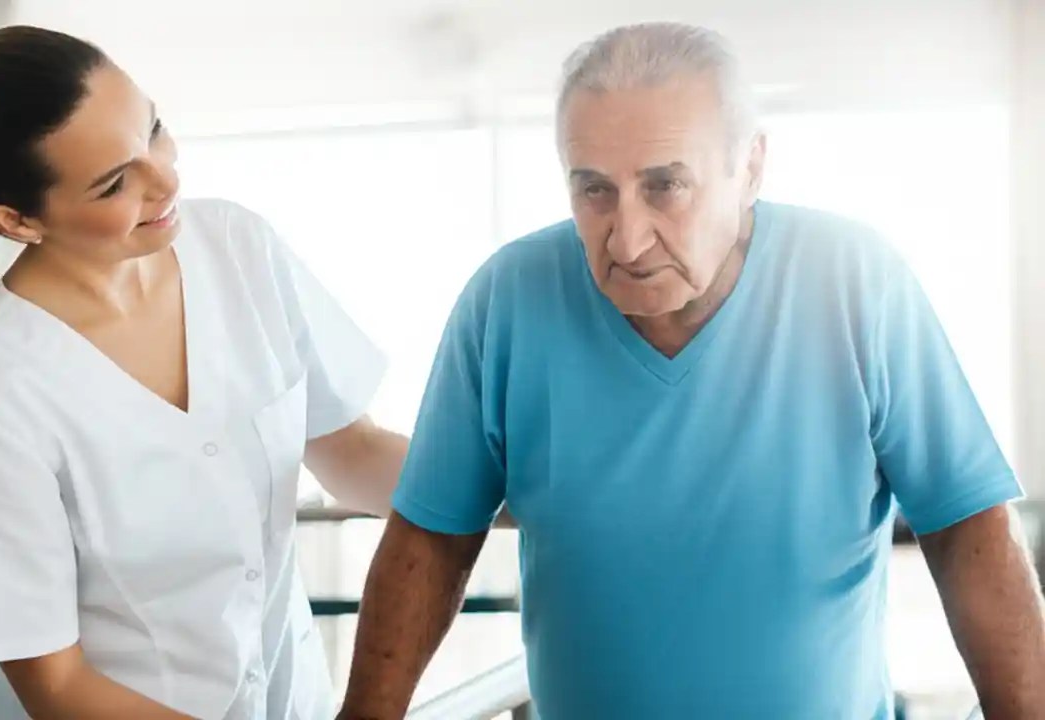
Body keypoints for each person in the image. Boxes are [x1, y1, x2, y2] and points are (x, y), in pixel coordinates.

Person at [338, 22, 1045, 720]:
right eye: (594, 191)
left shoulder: (856, 283)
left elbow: (965, 525)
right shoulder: (508, 300)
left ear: (751, 168)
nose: (629, 236)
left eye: (665, 186)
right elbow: (432, 538)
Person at [0, 25, 407, 720]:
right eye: (114, 183)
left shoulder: (237, 246)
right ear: (17, 220)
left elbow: (354, 454)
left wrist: (540, 496)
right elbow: (56, 685)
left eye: (154, 129)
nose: (165, 179)